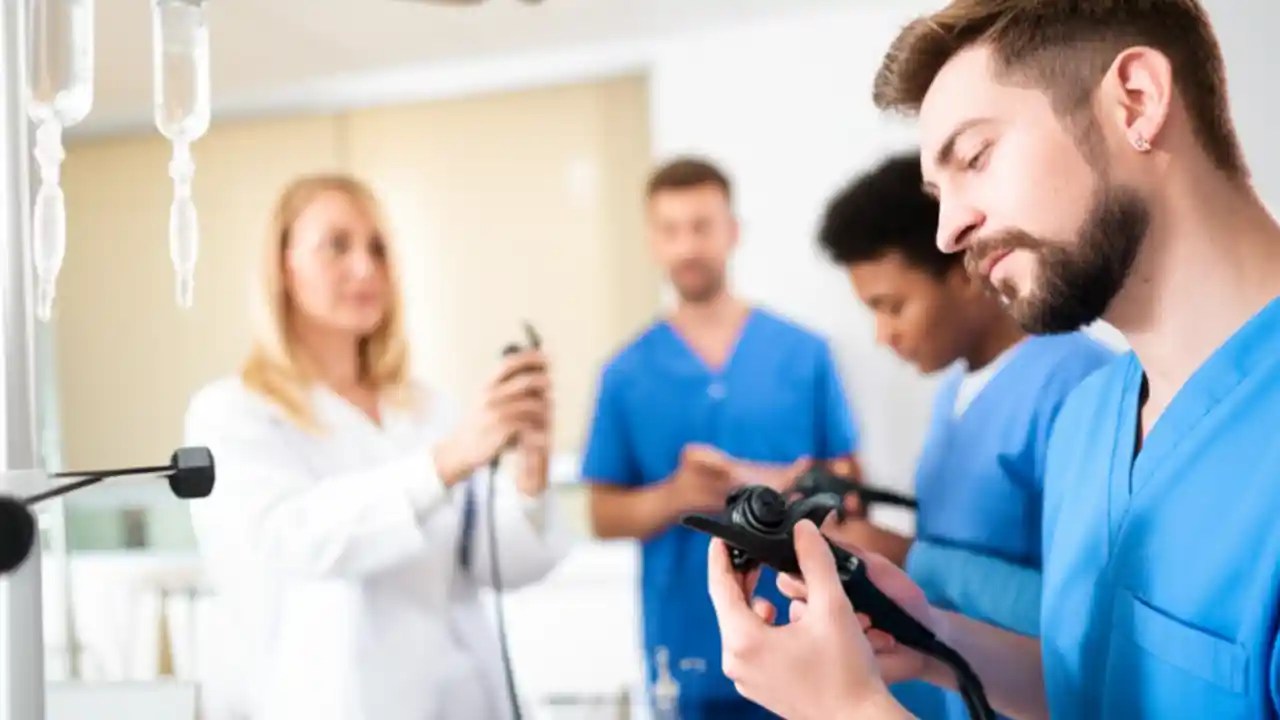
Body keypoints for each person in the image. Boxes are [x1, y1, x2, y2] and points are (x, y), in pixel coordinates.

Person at [705, 1, 1280, 718]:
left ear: (1136, 101)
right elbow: (1095, 689)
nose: (948, 233)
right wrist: (934, 635)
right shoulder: (1086, 423)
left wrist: (847, 710)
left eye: (976, 157)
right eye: (938, 195)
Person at [184, 174, 572, 720]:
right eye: (336, 246)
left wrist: (531, 465)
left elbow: (497, 565)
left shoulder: (426, 409)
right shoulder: (232, 413)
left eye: (379, 249)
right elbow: (295, 541)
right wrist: (444, 463)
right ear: (282, 266)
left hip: (463, 699)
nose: (365, 268)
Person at [816, 152, 1114, 719]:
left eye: (893, 306)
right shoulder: (955, 389)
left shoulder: (1078, 382)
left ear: (967, 270)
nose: (883, 336)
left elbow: (1090, 619)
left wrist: (908, 557)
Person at [581, 157, 861, 719]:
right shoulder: (624, 374)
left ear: (732, 232)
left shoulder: (804, 354)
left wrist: (774, 486)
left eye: (701, 226)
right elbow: (602, 515)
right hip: (685, 650)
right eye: (670, 229)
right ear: (651, 242)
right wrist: (678, 495)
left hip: (804, 636)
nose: (687, 246)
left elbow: (851, 489)